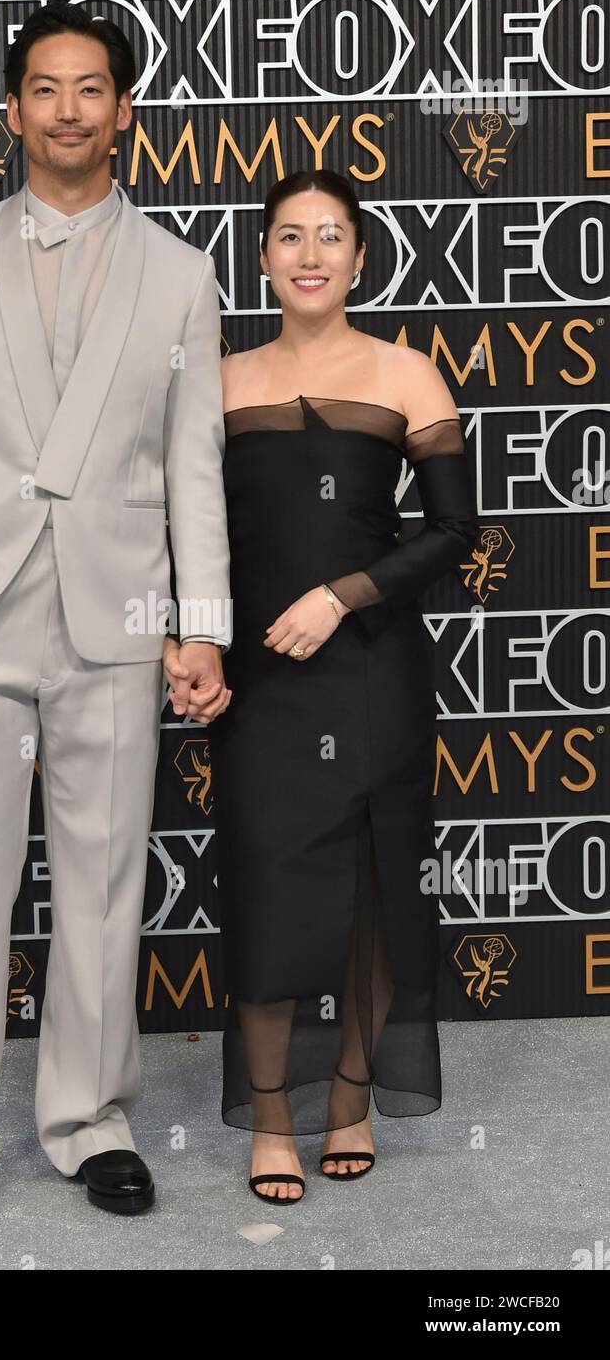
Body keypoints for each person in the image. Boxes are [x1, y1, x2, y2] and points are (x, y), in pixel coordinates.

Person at [0, 1, 232, 1233]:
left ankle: (90, 1122)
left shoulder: (182, 274)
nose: (68, 109)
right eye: (45, 88)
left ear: (122, 109)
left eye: (91, 88)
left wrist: (201, 625)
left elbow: (195, 467)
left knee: (99, 883)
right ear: (13, 110)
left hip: (118, 613)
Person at [164, 168, 479, 1204]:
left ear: (358, 256)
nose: (308, 255)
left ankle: (347, 1098)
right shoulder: (211, 378)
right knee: (261, 885)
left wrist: (339, 595)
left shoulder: (407, 375)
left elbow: (448, 532)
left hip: (370, 667)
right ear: (260, 257)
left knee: (373, 894)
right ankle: (266, 1117)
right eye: (288, 237)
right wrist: (189, 635)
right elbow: (178, 532)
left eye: (329, 236)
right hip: (256, 674)